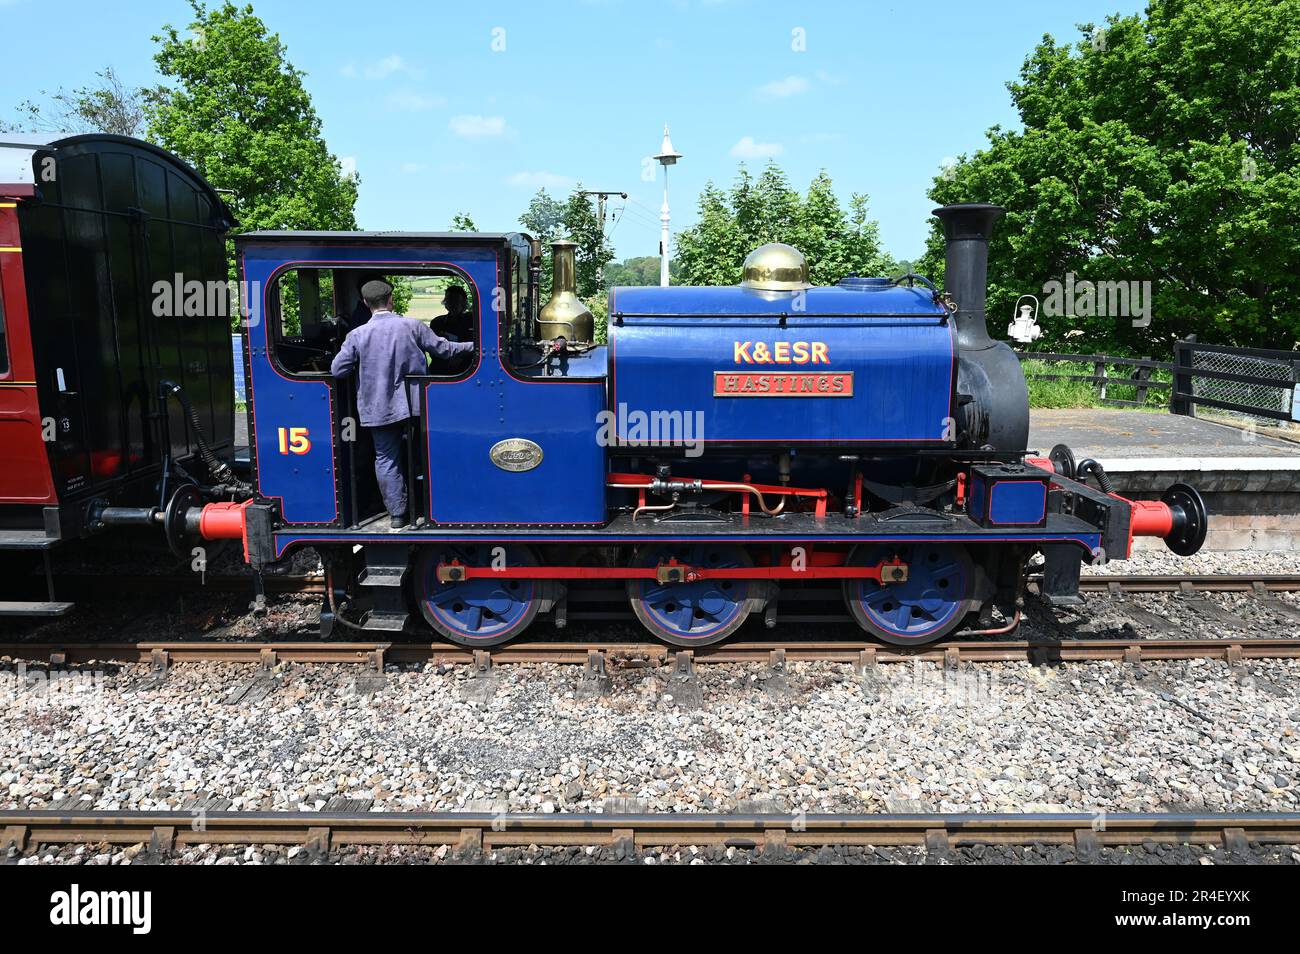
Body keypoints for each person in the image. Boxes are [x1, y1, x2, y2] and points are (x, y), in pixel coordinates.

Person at [331, 279, 474, 530]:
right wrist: (480, 345)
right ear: (391, 299)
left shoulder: (357, 335)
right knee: (427, 452)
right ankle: (434, 505)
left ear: (365, 304)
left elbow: (338, 369)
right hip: (416, 404)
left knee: (386, 459)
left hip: (378, 407)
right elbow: (445, 350)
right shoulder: (412, 326)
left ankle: (397, 514)